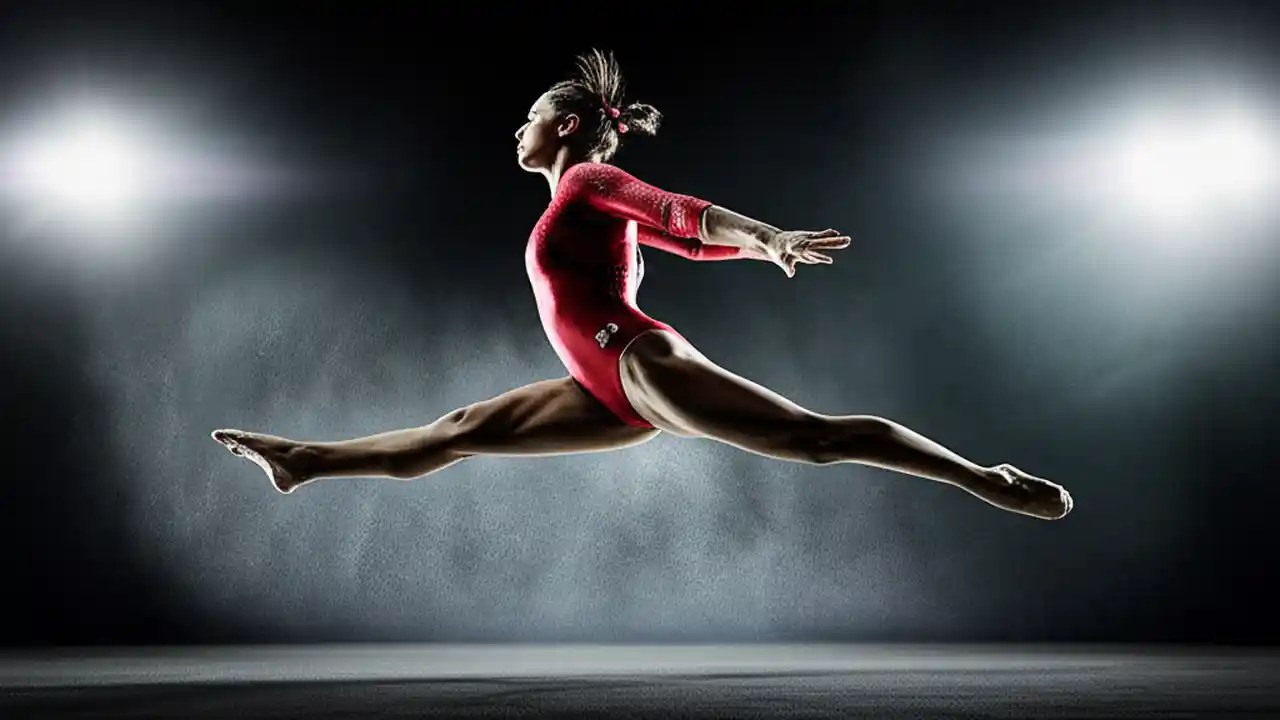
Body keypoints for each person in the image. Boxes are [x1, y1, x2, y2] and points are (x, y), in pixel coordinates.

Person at [213, 49, 1071, 521]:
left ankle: (983, 477)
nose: (520, 127)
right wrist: (752, 248)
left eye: (531, 115)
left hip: (636, 363)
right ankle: (303, 461)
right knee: (459, 430)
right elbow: (689, 244)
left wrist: (765, 237)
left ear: (569, 125)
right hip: (603, 388)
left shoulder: (585, 182)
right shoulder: (580, 201)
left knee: (813, 439)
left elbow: (680, 212)